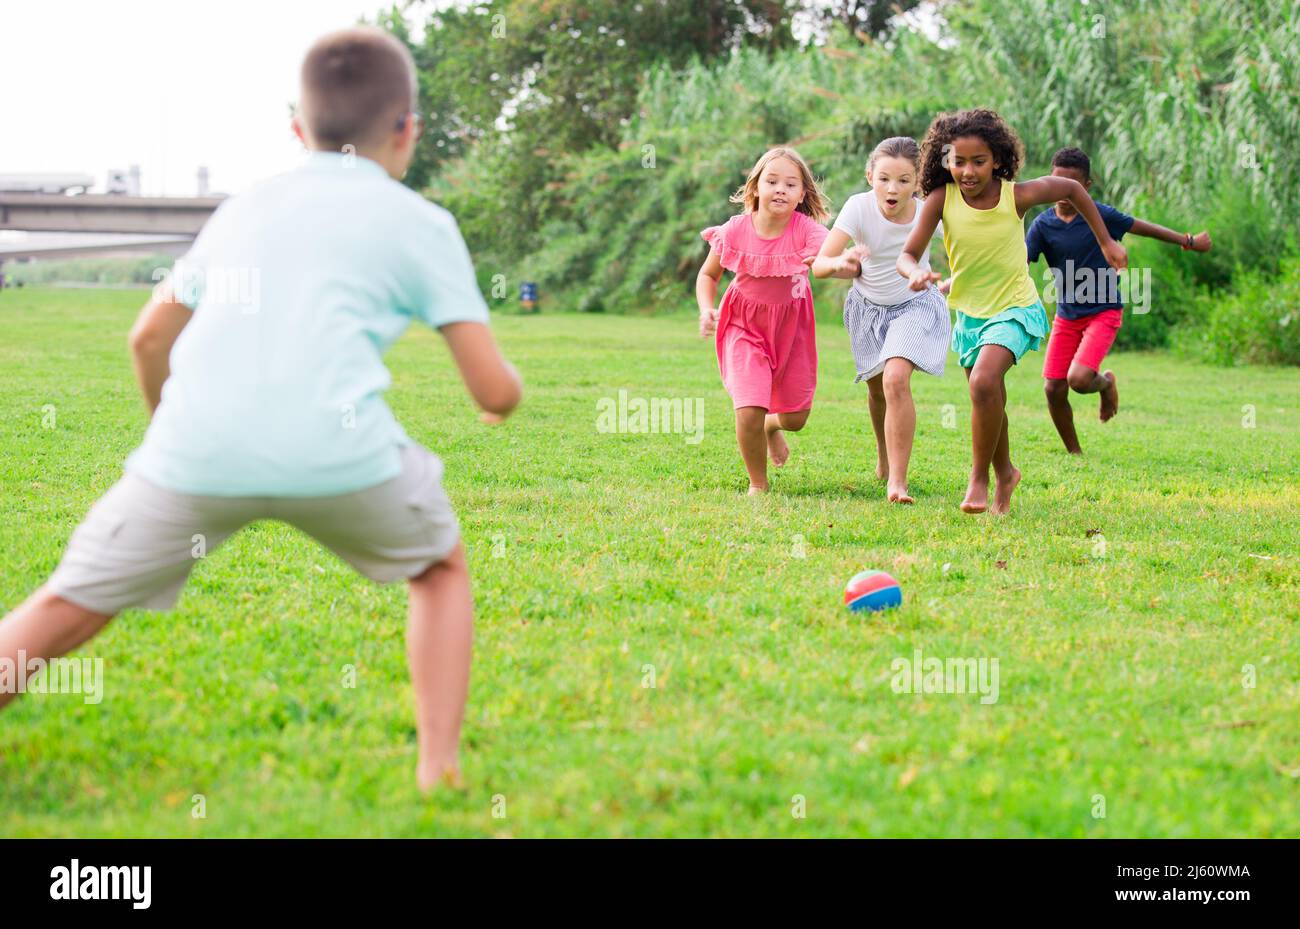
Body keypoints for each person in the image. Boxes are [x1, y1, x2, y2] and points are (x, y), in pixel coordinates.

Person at [0, 26, 522, 793]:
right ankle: (438, 768)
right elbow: (493, 391)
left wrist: (170, 432)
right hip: (343, 457)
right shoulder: (422, 224)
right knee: (439, 569)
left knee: (68, 603)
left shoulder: (244, 208)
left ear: (297, 129)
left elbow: (149, 337)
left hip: (196, 452)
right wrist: (507, 393)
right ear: (408, 127)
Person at [897, 109, 1126, 514]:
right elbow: (909, 254)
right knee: (989, 395)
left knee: (983, 382)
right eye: (958, 161)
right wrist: (915, 272)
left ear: (998, 160)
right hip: (970, 314)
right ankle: (1006, 473)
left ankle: (978, 477)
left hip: (1015, 308)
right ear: (945, 160)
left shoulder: (1014, 195)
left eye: (979, 161)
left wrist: (1105, 240)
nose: (968, 171)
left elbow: (1072, 191)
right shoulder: (940, 198)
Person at [1029, 146, 1212, 453]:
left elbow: (1144, 227)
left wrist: (1188, 241)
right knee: (1053, 388)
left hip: (1104, 312)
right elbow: (1021, 260)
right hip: (1066, 315)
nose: (1063, 192)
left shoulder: (1101, 215)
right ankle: (1075, 453)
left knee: (1079, 379)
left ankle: (1106, 384)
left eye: (1072, 185)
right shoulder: (1042, 225)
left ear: (1085, 187)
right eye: (1057, 182)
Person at [808, 136, 950, 504]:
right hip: (868, 309)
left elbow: (964, 250)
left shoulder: (927, 212)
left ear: (918, 183)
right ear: (870, 175)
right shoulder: (858, 208)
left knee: (896, 379)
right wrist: (842, 264)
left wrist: (952, 280)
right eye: (885, 178)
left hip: (914, 305)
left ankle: (898, 483)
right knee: (876, 390)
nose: (893, 188)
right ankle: (884, 457)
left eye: (904, 180)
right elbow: (820, 265)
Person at [696, 147, 830, 494]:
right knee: (748, 405)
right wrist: (706, 308)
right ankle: (758, 483)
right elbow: (708, 275)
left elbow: (830, 257)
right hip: (743, 324)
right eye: (772, 181)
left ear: (802, 194)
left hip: (792, 328)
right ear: (755, 187)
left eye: (790, 183)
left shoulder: (807, 231)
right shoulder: (736, 229)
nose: (780, 189)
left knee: (796, 419)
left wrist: (846, 264)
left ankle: (773, 426)